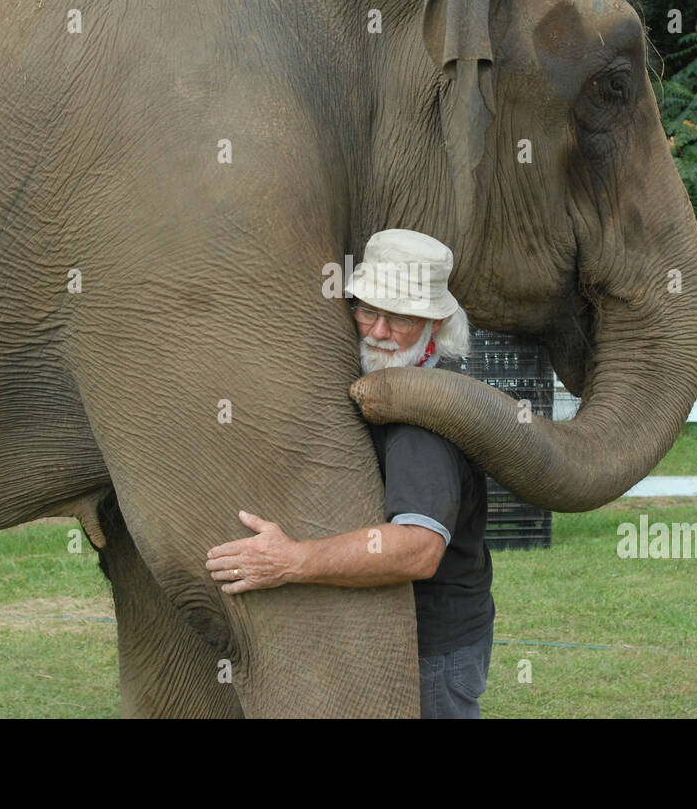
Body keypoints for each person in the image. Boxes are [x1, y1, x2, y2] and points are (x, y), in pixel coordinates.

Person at [204, 229, 494, 718]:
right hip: (407, 635)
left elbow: (418, 550)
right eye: (367, 311)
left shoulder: (422, 417)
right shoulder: (388, 382)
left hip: (431, 652)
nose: (378, 331)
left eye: (400, 317)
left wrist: (291, 561)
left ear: (436, 322)